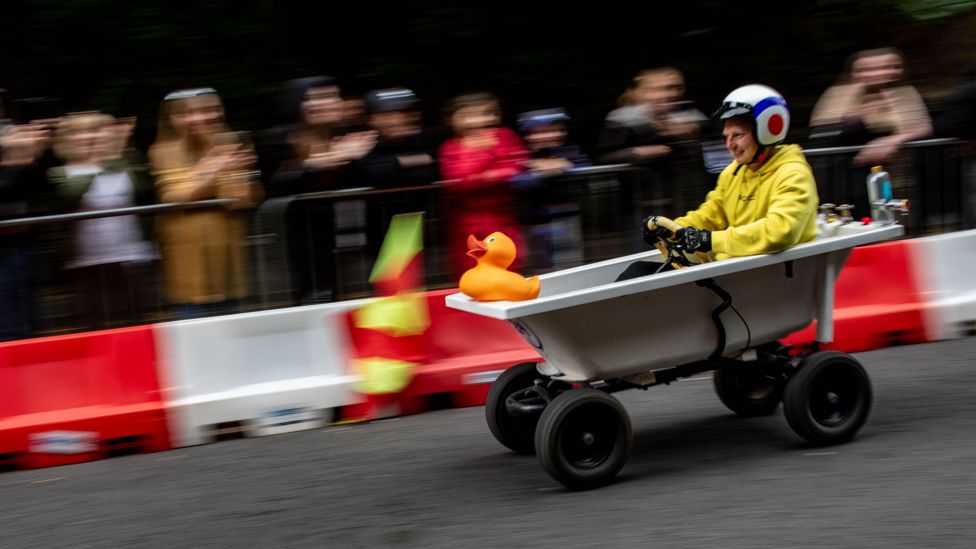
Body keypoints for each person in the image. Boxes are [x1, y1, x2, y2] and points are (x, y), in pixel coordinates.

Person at [638, 84, 818, 268]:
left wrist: (708, 240)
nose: (729, 145)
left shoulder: (793, 174)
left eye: (738, 135)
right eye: (727, 137)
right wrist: (670, 229)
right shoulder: (734, 172)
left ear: (769, 130)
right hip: (736, 269)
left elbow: (779, 232)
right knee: (639, 269)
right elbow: (710, 214)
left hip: (768, 274)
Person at [148, 87, 263, 319]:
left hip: (229, 262)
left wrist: (241, 175)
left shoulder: (232, 142)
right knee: (193, 332)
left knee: (234, 328)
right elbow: (174, 197)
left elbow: (245, 199)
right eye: (187, 113)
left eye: (209, 111)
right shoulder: (163, 151)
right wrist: (212, 172)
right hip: (188, 265)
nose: (200, 118)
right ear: (172, 118)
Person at [46, 112, 156, 330]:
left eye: (97, 129)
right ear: (66, 138)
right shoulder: (59, 172)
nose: (90, 136)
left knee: (134, 327)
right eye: (80, 131)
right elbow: (71, 193)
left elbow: (145, 190)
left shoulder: (123, 163)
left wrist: (124, 154)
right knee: (94, 330)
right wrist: (101, 162)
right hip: (87, 266)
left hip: (130, 261)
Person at [438, 92, 529, 280]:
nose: (479, 120)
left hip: (504, 218)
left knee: (509, 266)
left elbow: (516, 167)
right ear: (452, 119)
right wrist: (485, 155)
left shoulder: (505, 136)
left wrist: (479, 175)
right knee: (472, 273)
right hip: (466, 224)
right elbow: (458, 180)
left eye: (487, 113)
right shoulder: (450, 147)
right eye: (468, 115)